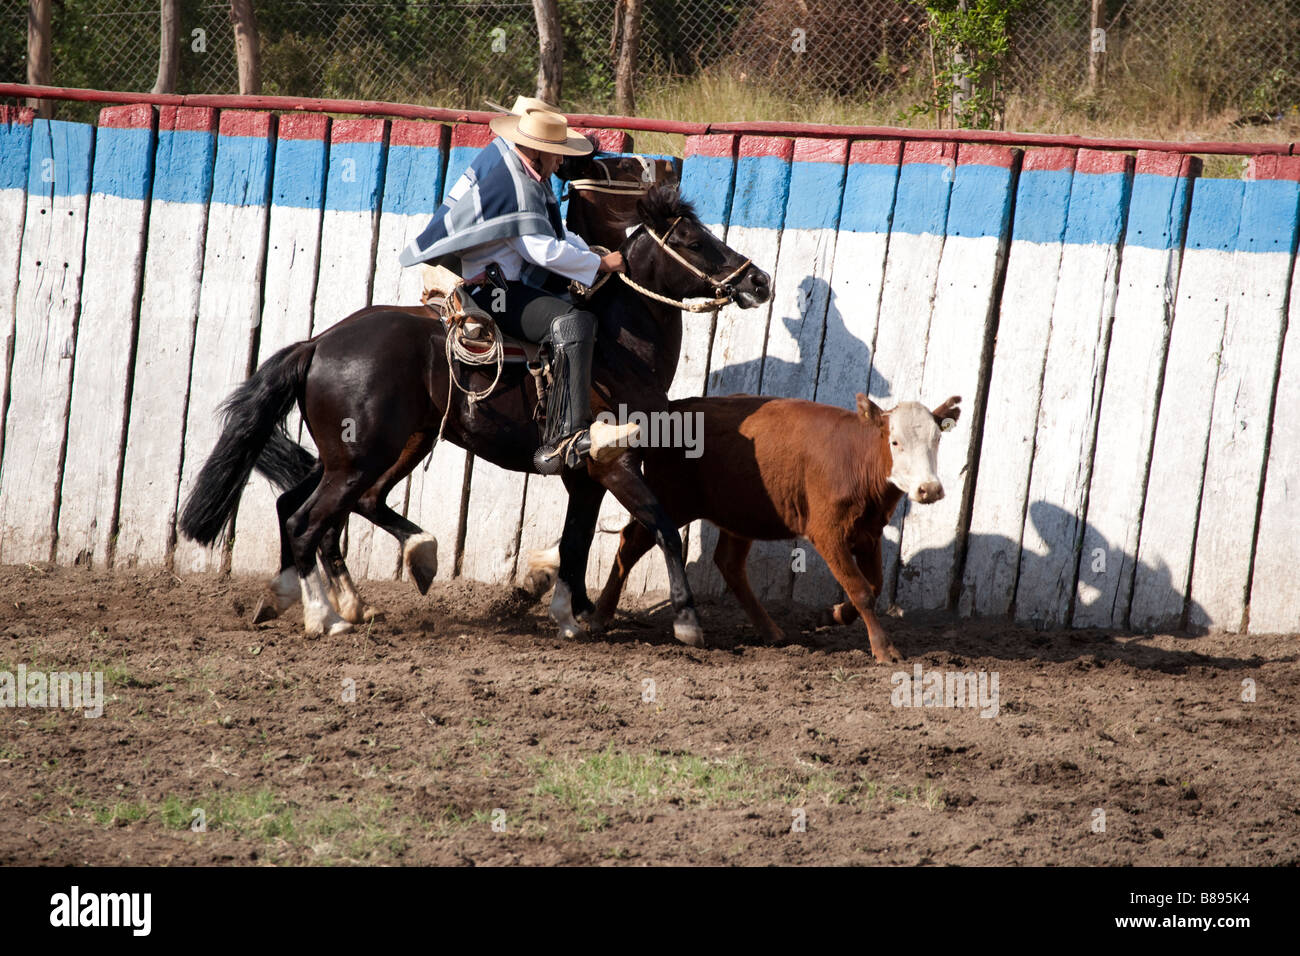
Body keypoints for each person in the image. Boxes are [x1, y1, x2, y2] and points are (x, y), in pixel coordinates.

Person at [399, 105, 639, 474]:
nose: (561, 162)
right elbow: (538, 249)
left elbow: (554, 233)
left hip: (502, 281)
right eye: (558, 153)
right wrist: (601, 264)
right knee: (575, 322)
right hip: (492, 292)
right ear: (541, 150)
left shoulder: (523, 174)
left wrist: (585, 251)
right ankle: (571, 435)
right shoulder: (518, 185)